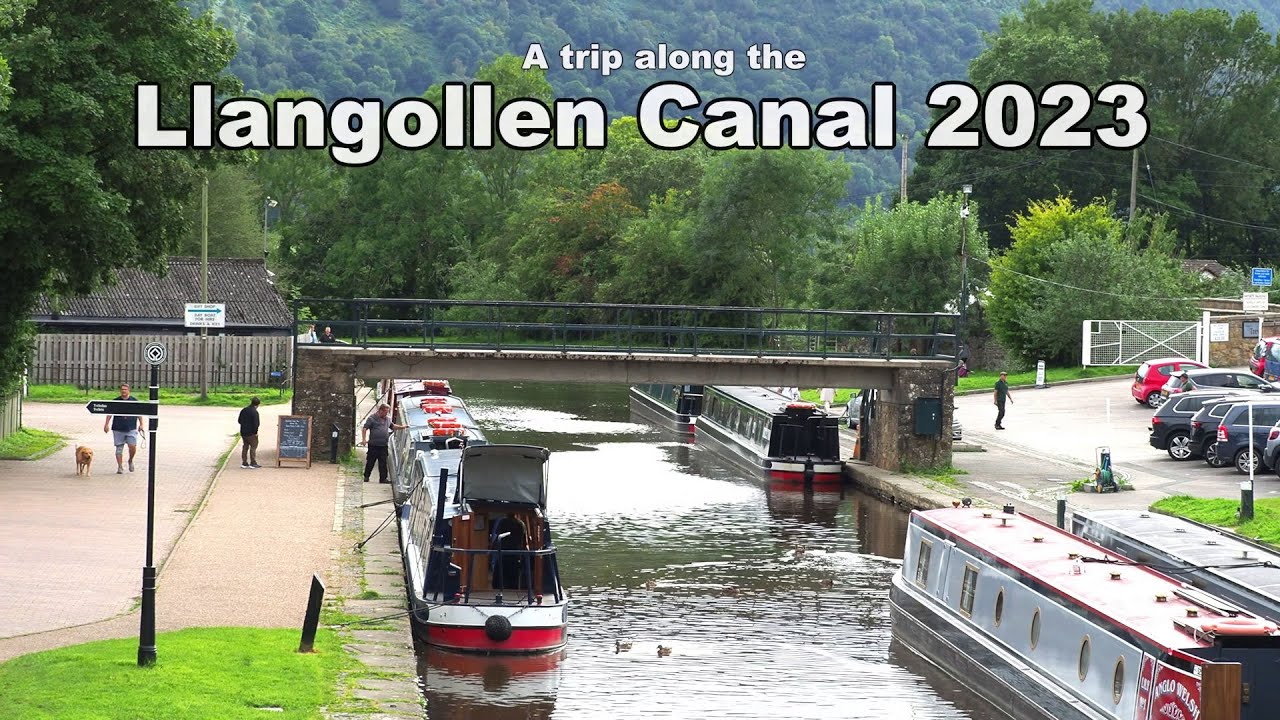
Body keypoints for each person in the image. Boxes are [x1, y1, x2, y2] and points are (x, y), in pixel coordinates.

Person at [102, 383, 144, 474]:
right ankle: (120, 466)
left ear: (129, 391)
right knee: (119, 449)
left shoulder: (134, 401)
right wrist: (106, 424)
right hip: (118, 427)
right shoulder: (115, 401)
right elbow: (109, 413)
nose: (123, 391)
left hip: (131, 427)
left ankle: (130, 460)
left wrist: (141, 424)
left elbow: (139, 413)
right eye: (122, 389)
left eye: (125, 389)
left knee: (132, 446)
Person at [359, 403, 406, 483]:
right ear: (380, 410)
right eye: (385, 412)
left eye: (387, 412)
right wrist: (364, 439)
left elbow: (393, 426)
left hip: (383, 445)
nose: (386, 414)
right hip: (373, 445)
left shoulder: (387, 419)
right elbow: (365, 429)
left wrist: (403, 427)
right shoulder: (372, 418)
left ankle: (383, 478)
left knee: (383, 462)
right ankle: (366, 476)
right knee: (370, 461)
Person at [238, 396, 262, 469]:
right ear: (258, 404)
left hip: (243, 432)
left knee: (245, 447)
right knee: (253, 447)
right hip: (251, 433)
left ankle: (244, 463)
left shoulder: (244, 410)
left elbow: (239, 420)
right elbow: (256, 424)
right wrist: (255, 432)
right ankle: (253, 462)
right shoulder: (255, 412)